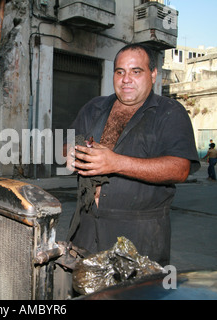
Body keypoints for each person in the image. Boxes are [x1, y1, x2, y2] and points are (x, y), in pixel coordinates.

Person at [64, 43, 200, 266]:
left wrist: (116, 163)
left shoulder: (170, 112)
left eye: (136, 71)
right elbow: (67, 145)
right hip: (86, 230)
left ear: (153, 74)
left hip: (139, 238)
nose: (126, 79)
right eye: (120, 72)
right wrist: (70, 153)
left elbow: (180, 168)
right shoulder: (94, 107)